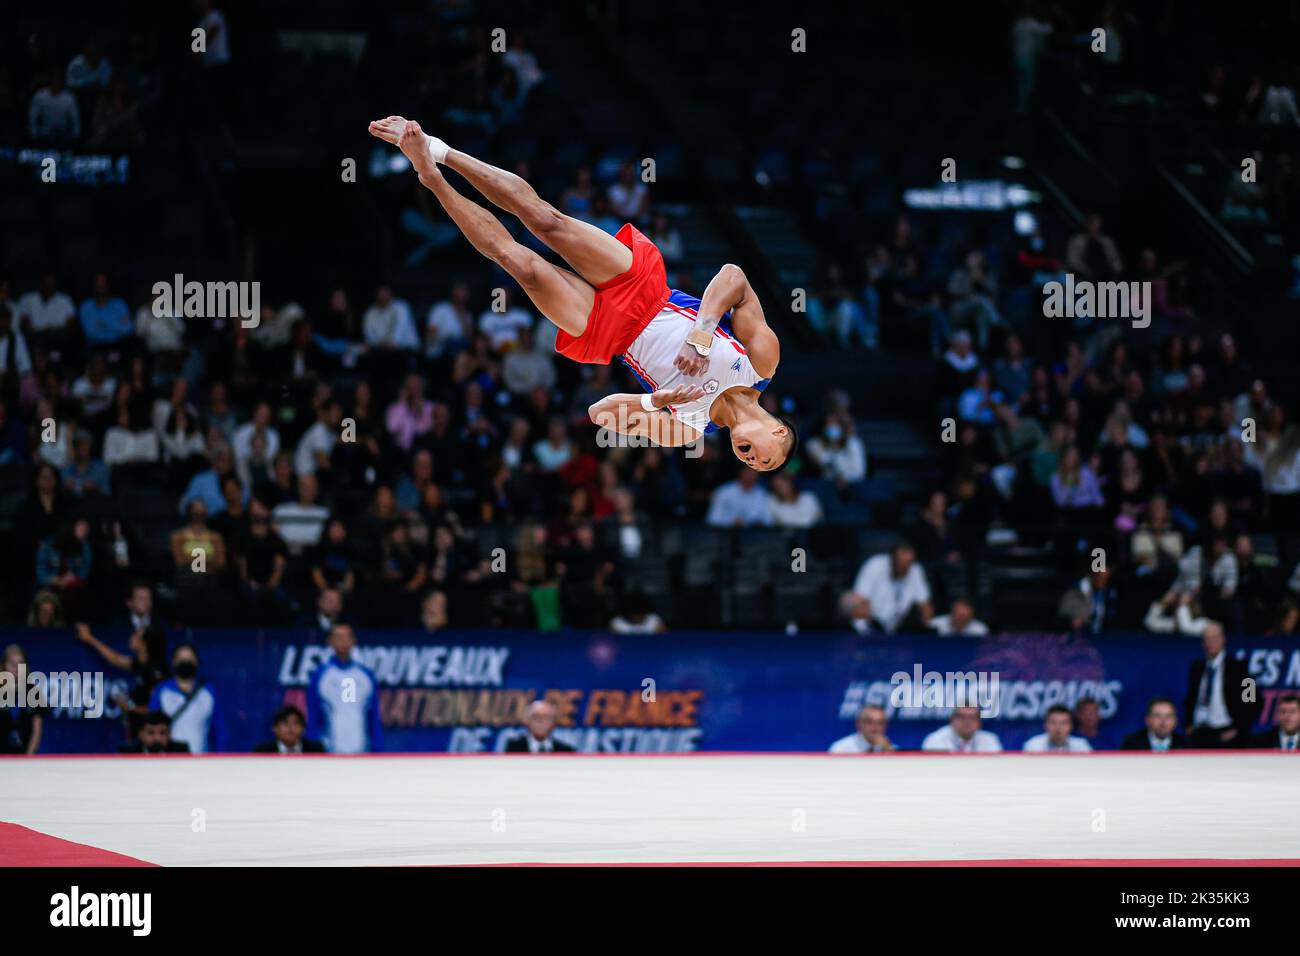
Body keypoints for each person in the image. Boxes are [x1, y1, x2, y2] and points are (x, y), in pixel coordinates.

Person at [368, 117, 795, 472]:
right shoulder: (761, 364)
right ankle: (442, 149)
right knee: (545, 221)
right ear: (777, 431)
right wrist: (701, 335)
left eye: (755, 466)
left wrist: (652, 401)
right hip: (645, 290)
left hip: (610, 334)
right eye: (768, 459)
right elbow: (734, 277)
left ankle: (430, 175)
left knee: (521, 264)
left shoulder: (689, 428)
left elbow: (600, 415)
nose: (755, 463)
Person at [306, 625, 382, 754]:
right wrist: (313, 748)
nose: (343, 641)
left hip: (362, 749)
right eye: (339, 637)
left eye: (347, 637)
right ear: (330, 641)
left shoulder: (365, 675)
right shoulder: (320, 675)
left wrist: (377, 748)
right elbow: (313, 715)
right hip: (330, 749)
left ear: (354, 641)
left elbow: (373, 716)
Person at [1183, 627, 1260, 748]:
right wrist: (1188, 725)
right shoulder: (1197, 667)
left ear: (1222, 640)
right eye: (1206, 639)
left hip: (1226, 733)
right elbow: (1191, 697)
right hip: (1199, 733)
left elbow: (1252, 699)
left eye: (1214, 638)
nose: (1210, 643)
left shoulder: (1239, 667)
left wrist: (1239, 729)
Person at [841, 541, 933, 634]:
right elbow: (858, 599)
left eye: (909, 562)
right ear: (892, 559)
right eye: (901, 562)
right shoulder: (874, 565)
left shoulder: (915, 570)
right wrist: (870, 621)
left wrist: (928, 630)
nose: (906, 567)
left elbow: (924, 605)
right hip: (870, 626)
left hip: (897, 629)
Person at [148, 645, 222, 753]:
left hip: (201, 761)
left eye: (189, 659)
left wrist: (220, 757)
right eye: (181, 659)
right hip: (168, 760)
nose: (185, 662)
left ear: (197, 662)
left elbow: (219, 729)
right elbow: (151, 725)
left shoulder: (208, 691)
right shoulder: (162, 690)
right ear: (173, 662)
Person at [0, 645, 45, 754]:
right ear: (3, 665)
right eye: (12, 664)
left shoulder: (33, 691)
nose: (16, 668)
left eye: (21, 664)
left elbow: (37, 728)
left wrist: (28, 757)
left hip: (26, 757)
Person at [504, 699, 575, 752]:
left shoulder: (565, 751)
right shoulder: (513, 748)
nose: (540, 721)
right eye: (536, 717)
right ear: (527, 721)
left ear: (553, 723)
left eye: (546, 717)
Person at [921, 706, 1002, 752]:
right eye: (961, 717)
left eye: (972, 717)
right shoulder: (935, 740)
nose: (967, 721)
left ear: (979, 722)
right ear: (952, 720)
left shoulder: (990, 741)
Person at [1120, 697, 1188, 751]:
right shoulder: (1132, 743)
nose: (1163, 721)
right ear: (1147, 720)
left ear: (1175, 721)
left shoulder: (1185, 744)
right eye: (1157, 716)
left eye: (1168, 716)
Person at [253, 705, 325, 754]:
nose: (291, 727)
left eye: (296, 723)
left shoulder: (316, 750)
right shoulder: (263, 752)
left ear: (303, 729)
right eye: (285, 723)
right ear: (275, 728)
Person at [1022, 705, 1093, 752]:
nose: (1058, 727)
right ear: (1046, 725)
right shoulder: (1032, 746)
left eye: (1063, 723)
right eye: (1053, 722)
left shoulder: (1081, 746)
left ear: (1071, 726)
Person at [829, 705, 895, 753]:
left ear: (885, 725)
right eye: (869, 721)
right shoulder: (840, 749)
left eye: (880, 722)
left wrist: (888, 752)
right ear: (858, 724)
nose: (875, 726)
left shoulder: (892, 750)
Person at [117, 710, 190, 754]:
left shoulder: (180, 751)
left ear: (169, 734)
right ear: (140, 735)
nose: (157, 738)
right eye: (151, 733)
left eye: (162, 733)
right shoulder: (127, 753)